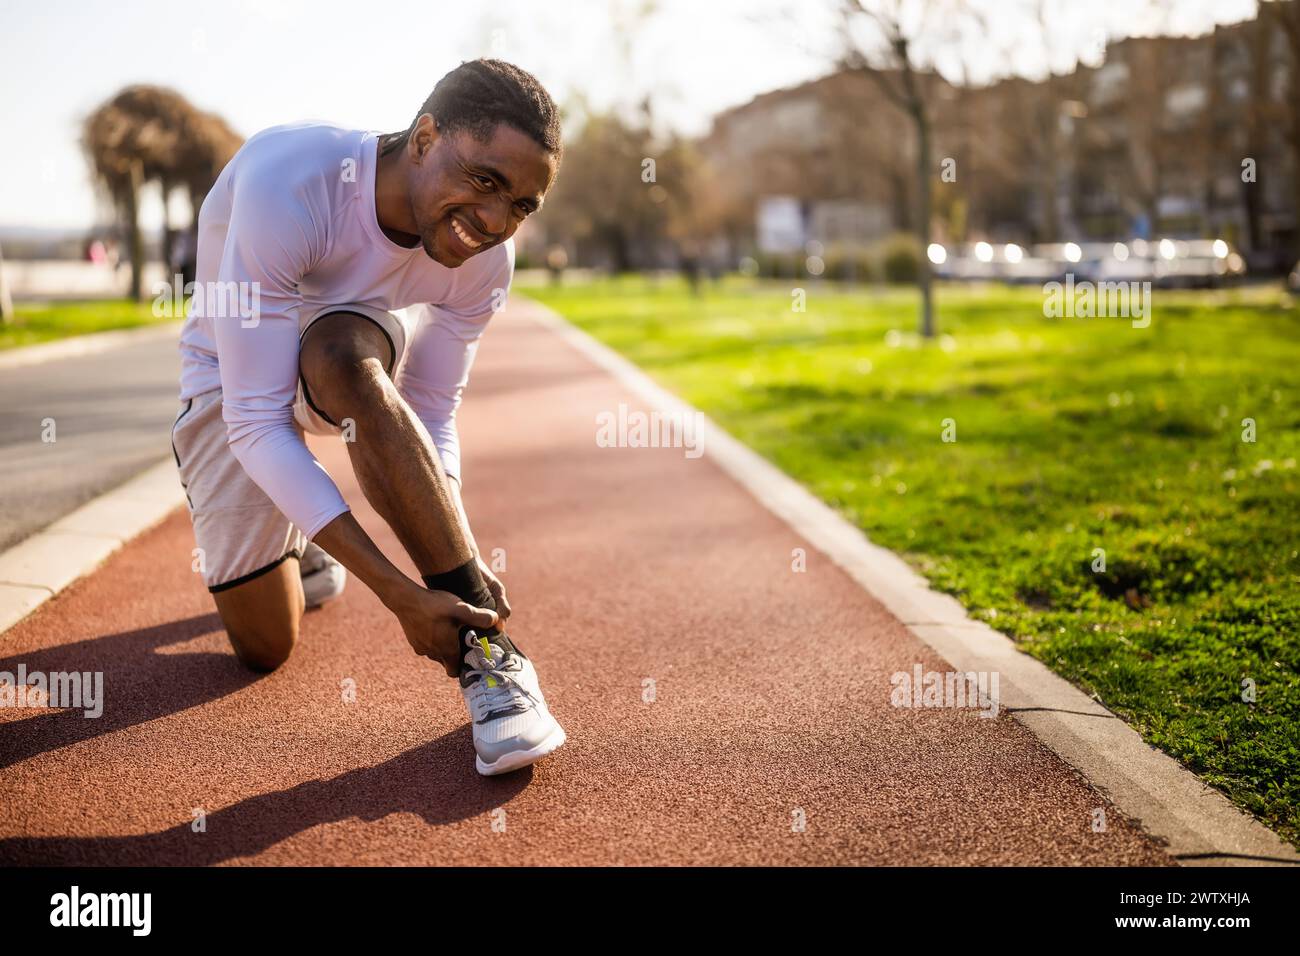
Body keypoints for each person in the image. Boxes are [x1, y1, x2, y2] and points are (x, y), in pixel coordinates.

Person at [171, 59, 564, 776]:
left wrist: (457, 565)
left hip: (350, 361)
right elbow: (256, 420)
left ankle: (492, 662)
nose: (496, 221)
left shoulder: (484, 262)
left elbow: (432, 412)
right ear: (423, 138)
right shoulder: (289, 182)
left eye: (521, 205)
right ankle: (305, 547)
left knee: (342, 353)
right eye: (483, 181)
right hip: (233, 383)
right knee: (265, 648)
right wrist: (396, 593)